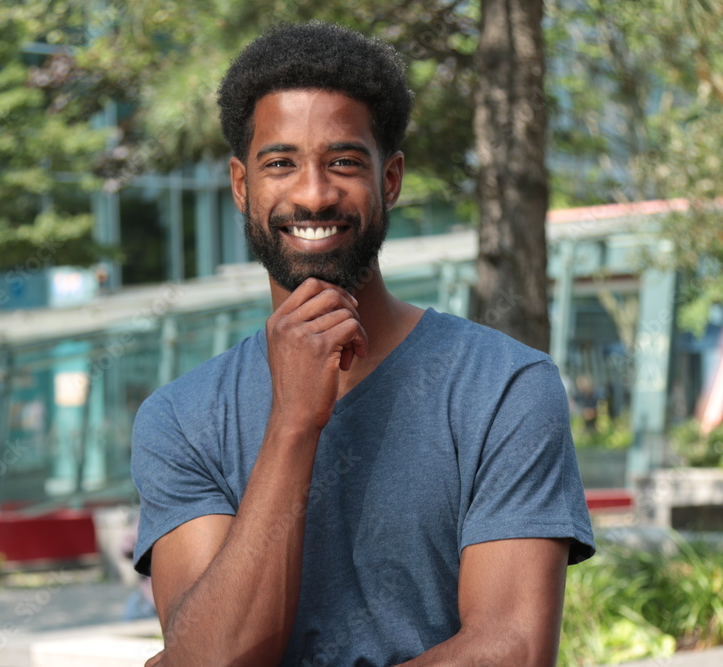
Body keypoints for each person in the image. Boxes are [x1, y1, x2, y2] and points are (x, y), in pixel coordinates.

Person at [131, 21, 595, 666]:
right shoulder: (181, 419)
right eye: (280, 163)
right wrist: (294, 419)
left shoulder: (504, 386)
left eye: (344, 162)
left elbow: (509, 649)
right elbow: (210, 657)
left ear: (392, 180)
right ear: (242, 185)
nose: (314, 193)